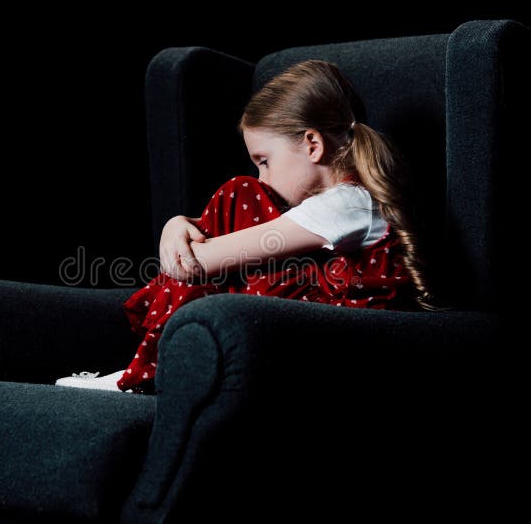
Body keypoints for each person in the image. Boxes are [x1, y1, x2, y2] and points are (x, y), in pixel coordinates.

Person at [56, 59, 436, 394]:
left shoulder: (344, 205)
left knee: (239, 193)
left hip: (337, 339)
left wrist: (177, 239)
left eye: (264, 160)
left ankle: (148, 373)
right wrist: (177, 223)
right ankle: (152, 369)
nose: (262, 177)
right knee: (241, 199)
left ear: (312, 145)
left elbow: (198, 263)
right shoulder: (340, 205)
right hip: (314, 323)